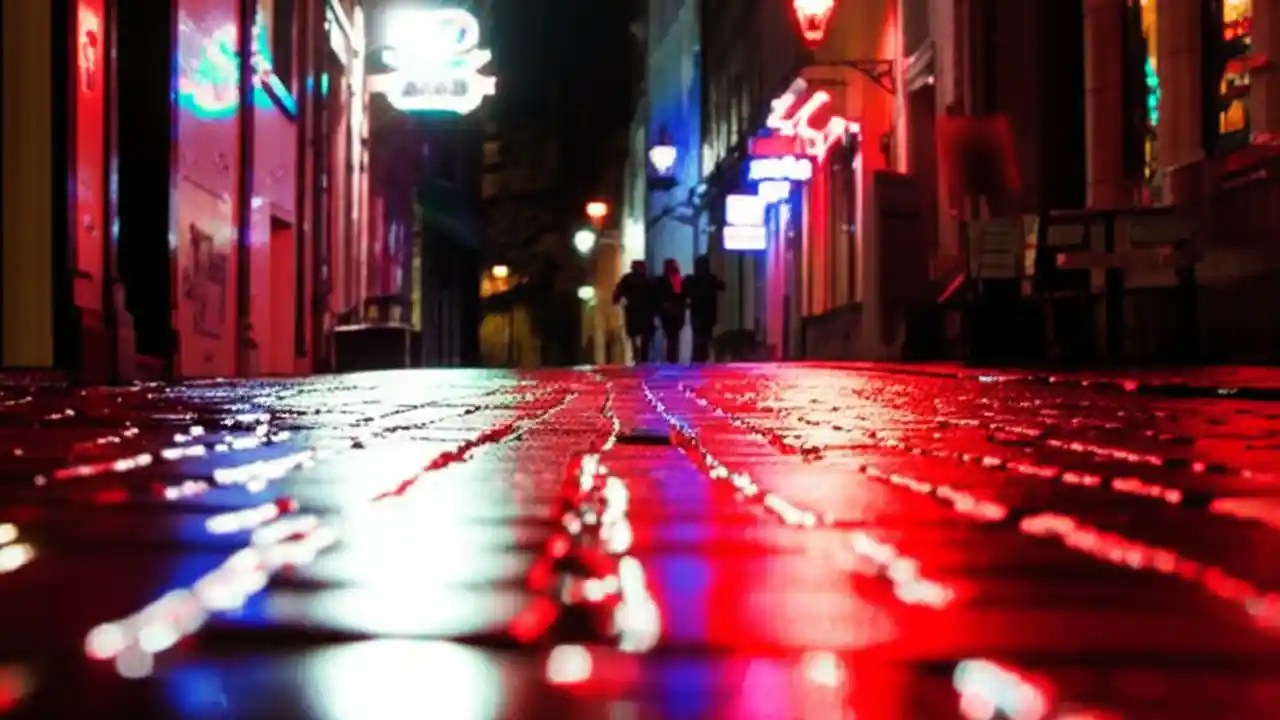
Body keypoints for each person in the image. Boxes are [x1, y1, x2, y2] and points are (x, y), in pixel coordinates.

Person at [683, 254, 725, 363]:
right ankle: (701, 357)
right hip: (707, 315)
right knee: (704, 339)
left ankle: (698, 357)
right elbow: (722, 286)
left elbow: (686, 293)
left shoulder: (694, 280)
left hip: (699, 314)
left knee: (699, 339)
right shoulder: (710, 280)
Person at [612, 260, 656, 364]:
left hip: (633, 311)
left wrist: (620, 300)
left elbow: (619, 292)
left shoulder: (627, 279)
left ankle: (637, 355)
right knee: (645, 337)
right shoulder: (648, 280)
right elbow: (653, 297)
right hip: (645, 312)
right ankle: (643, 357)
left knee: (634, 335)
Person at [655, 258, 686, 364]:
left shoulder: (662, 281)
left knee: (671, 336)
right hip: (674, 312)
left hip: (671, 312)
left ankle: (671, 357)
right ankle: (672, 357)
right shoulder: (678, 280)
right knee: (673, 336)